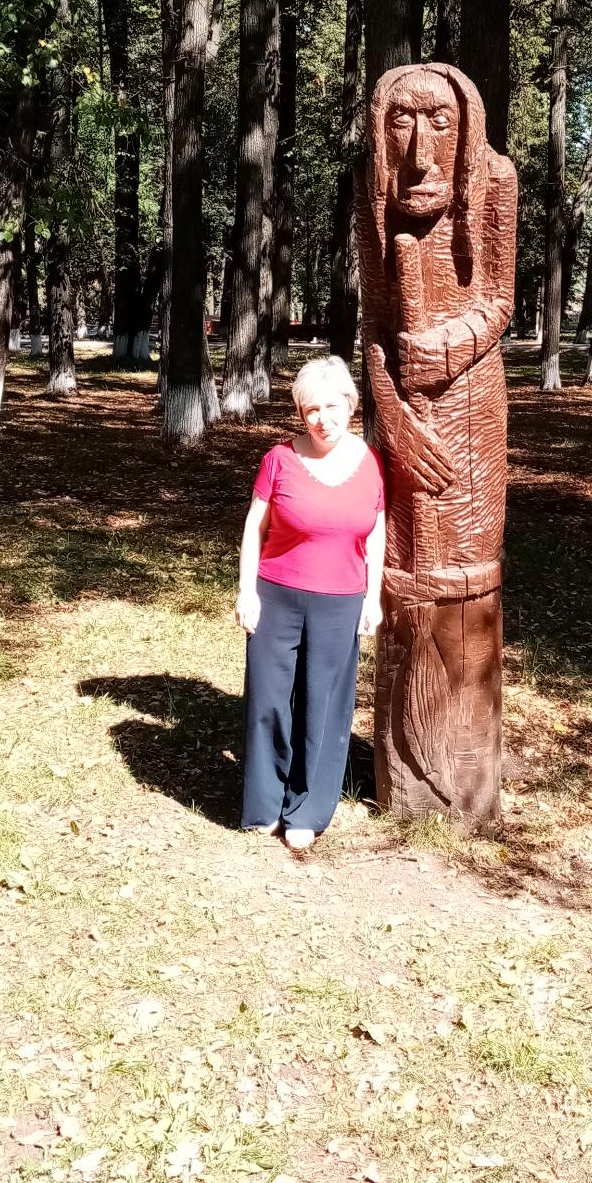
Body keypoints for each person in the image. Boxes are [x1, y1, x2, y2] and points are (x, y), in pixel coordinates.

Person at [235, 355, 385, 851]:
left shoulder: (371, 462)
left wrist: (373, 597)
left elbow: (377, 532)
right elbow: (254, 530)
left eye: (332, 406)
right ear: (300, 414)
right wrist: (246, 592)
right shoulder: (278, 459)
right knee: (268, 702)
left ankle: (307, 809)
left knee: (325, 707)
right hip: (276, 596)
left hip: (341, 600)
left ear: (351, 403)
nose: (323, 418)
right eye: (311, 410)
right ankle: (264, 803)